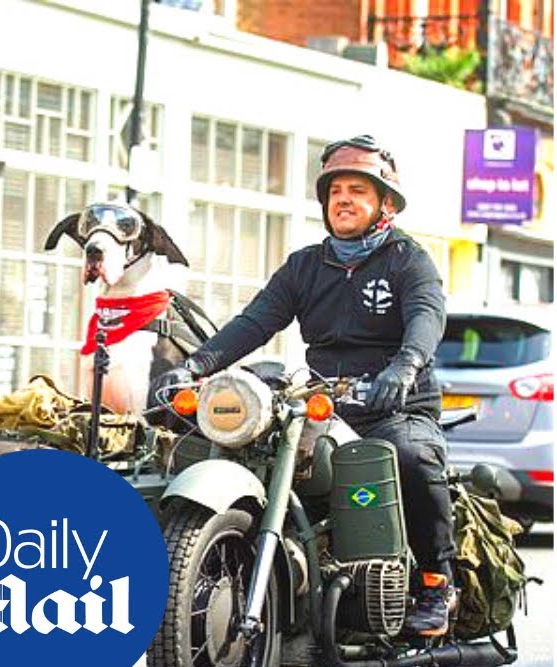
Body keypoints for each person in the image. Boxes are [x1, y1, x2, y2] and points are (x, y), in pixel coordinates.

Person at [157, 135, 456, 636]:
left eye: (359, 190)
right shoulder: (305, 266)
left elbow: (427, 316)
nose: (343, 199)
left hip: (394, 406)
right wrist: (197, 366)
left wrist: (404, 368)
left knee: (410, 458)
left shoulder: (409, 261)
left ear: (385, 204)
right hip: (323, 406)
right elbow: (254, 322)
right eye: (336, 189)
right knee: (243, 453)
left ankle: (436, 585)